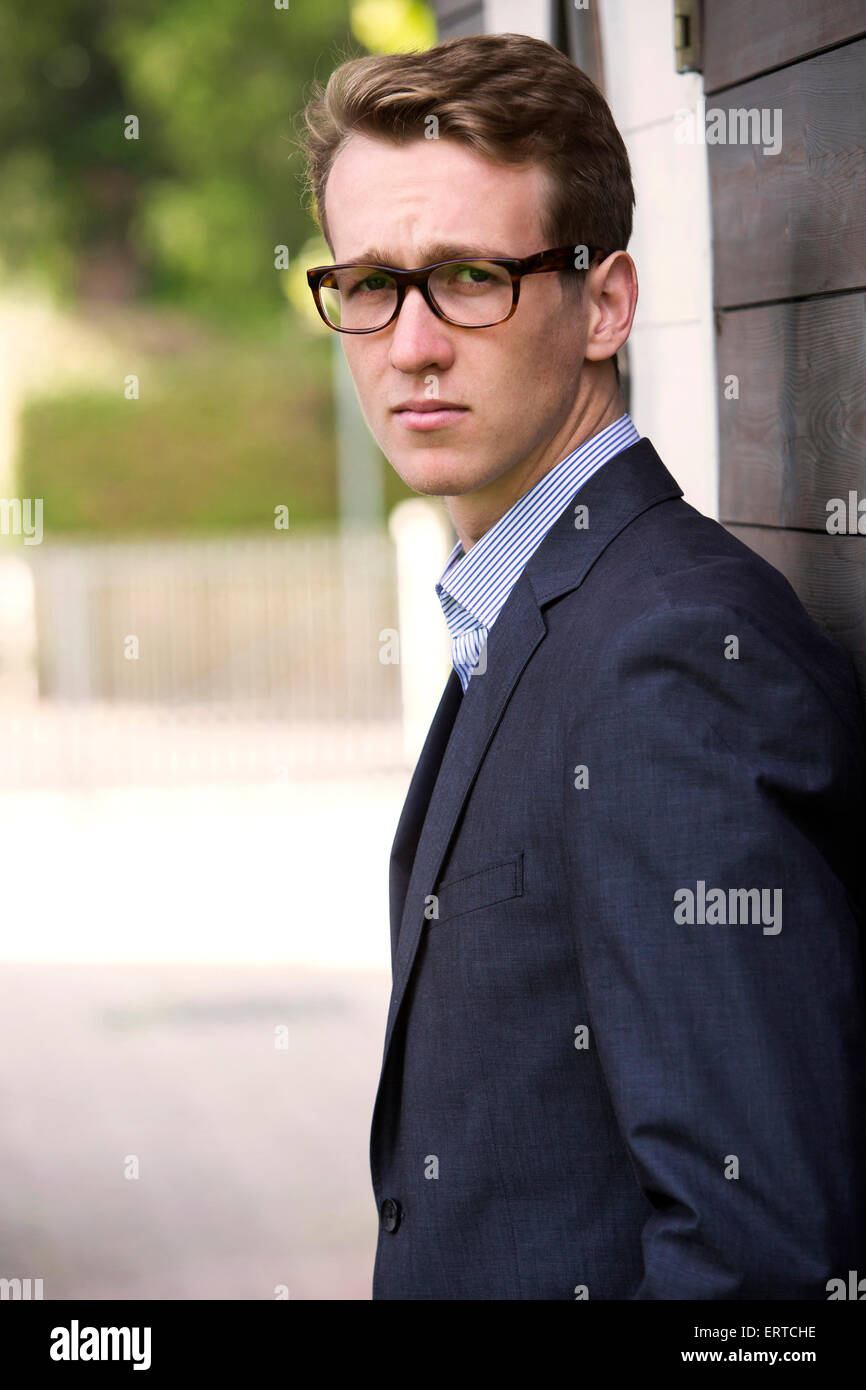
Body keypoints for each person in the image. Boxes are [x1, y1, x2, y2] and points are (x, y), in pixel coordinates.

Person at [300, 32, 866, 1299]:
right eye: (372, 285)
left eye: (465, 276)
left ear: (603, 301)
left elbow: (757, 1252)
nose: (410, 344)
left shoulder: (669, 659)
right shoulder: (528, 606)